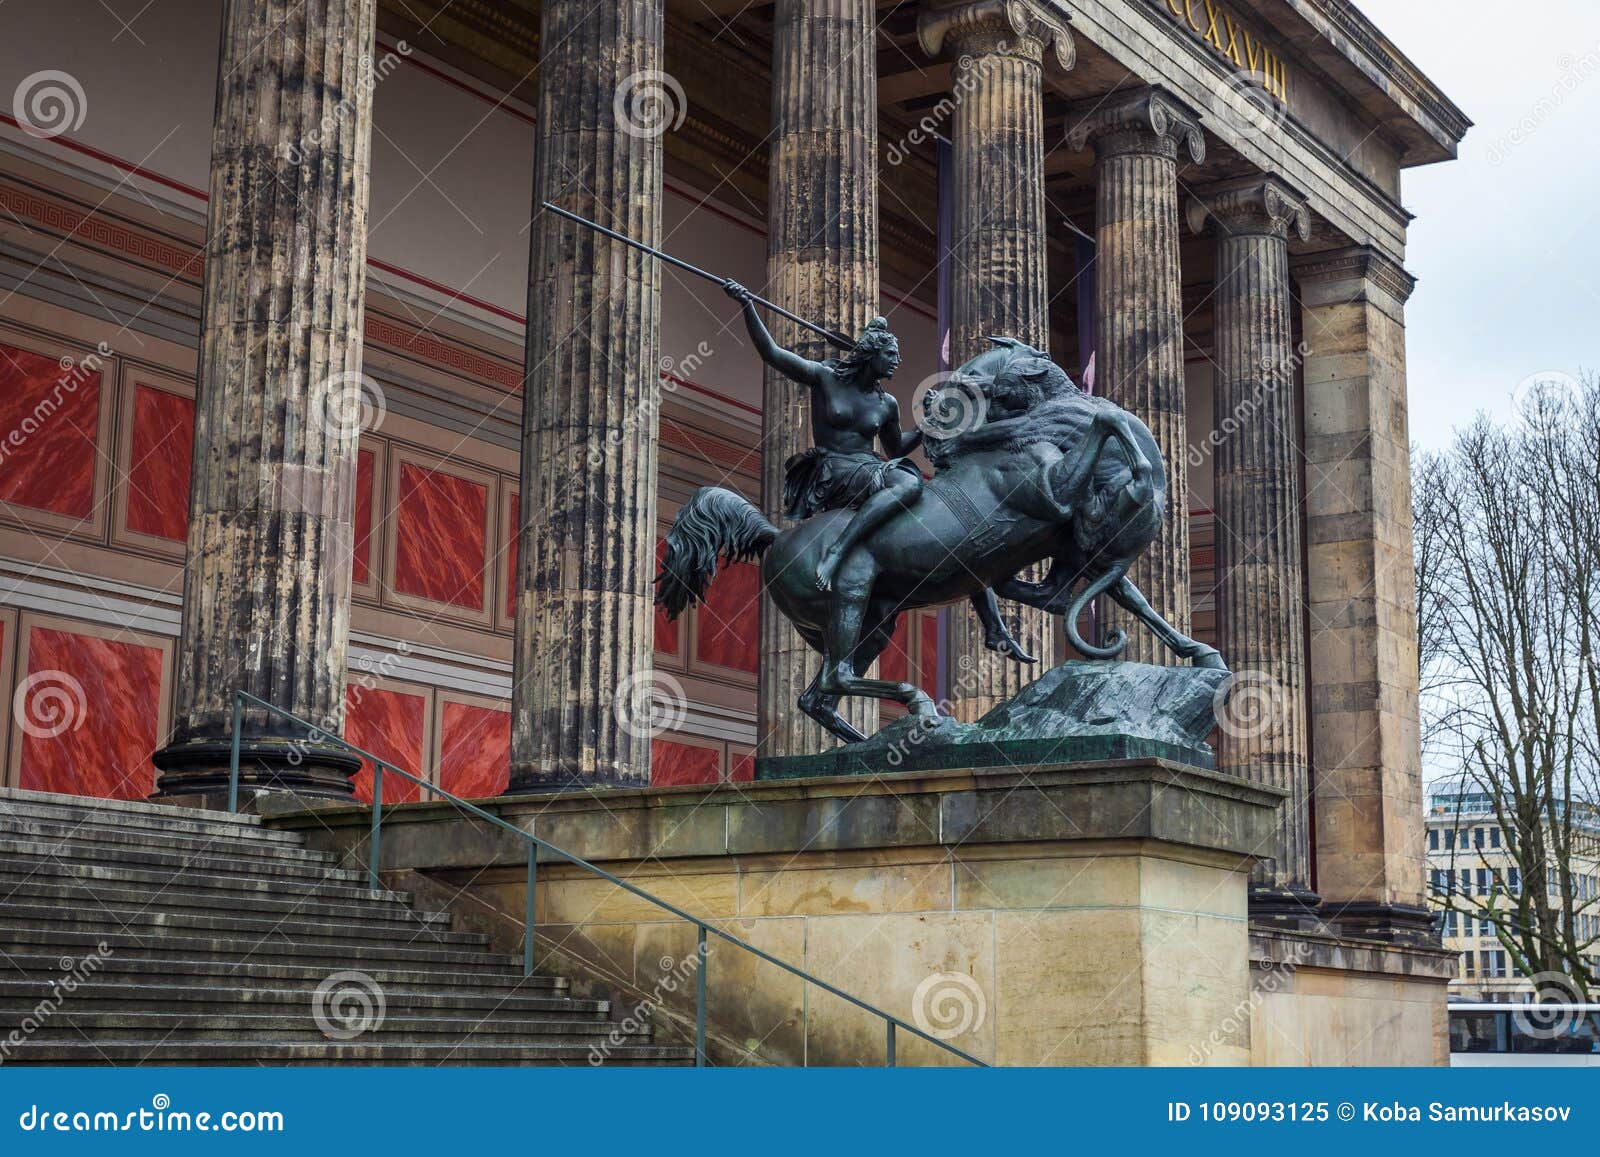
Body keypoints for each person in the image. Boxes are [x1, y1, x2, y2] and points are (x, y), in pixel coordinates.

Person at [725, 281, 922, 592]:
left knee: (920, 498)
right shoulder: (825, 377)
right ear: (871, 355)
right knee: (909, 483)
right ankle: (837, 549)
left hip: (868, 468)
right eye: (890, 354)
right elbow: (772, 354)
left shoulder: (887, 403)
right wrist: (747, 305)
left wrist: (926, 426)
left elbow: (897, 447)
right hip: (833, 469)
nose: (897, 360)